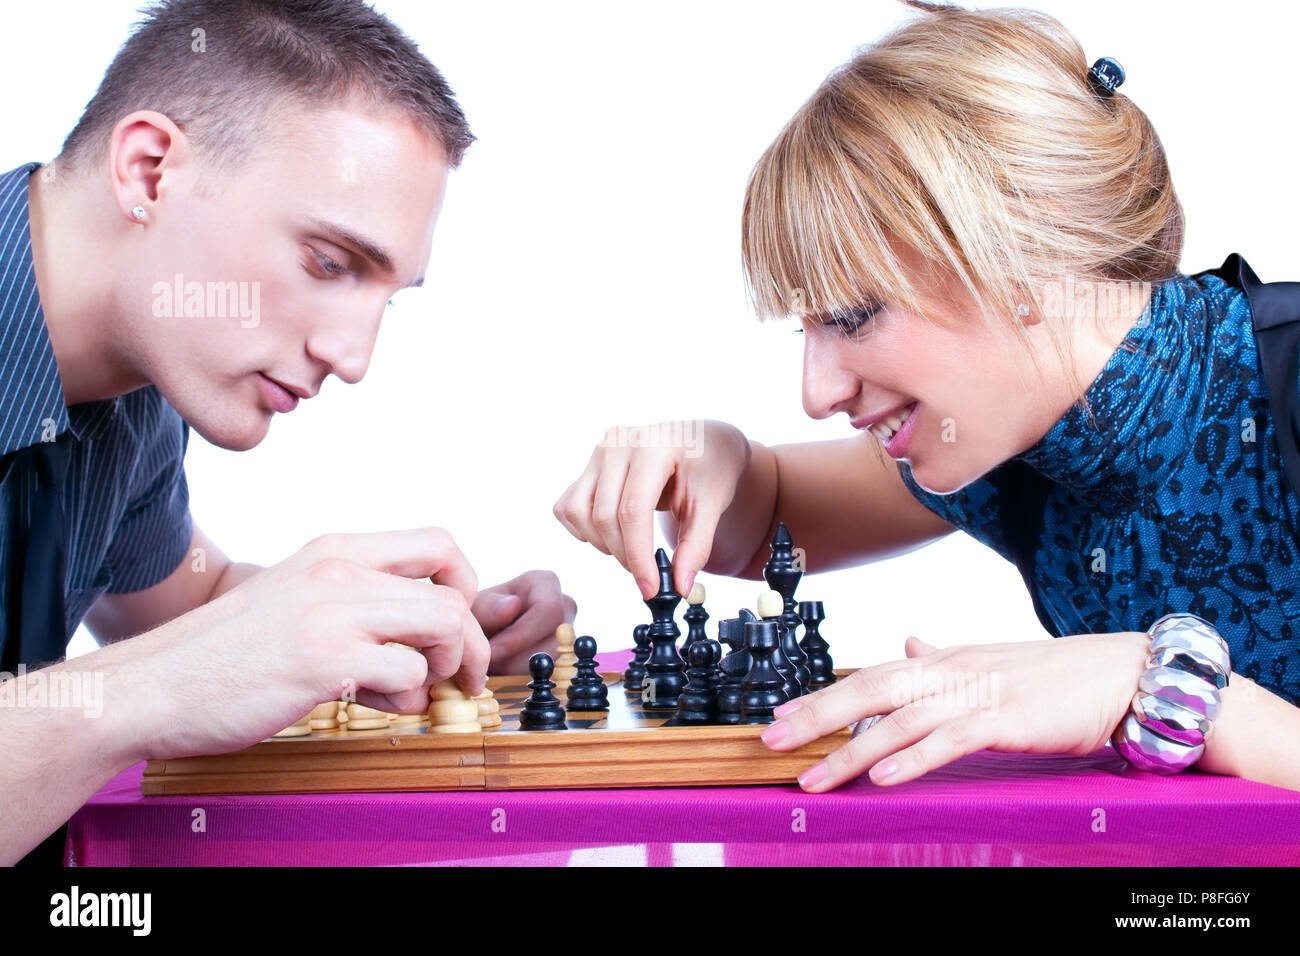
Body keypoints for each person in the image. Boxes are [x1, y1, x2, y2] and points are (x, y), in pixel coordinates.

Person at [554, 1, 1300, 794]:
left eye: (854, 317)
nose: (816, 394)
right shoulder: (1013, 435)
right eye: (807, 327)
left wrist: (1160, 685)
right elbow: (766, 519)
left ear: (1023, 251)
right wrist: (715, 455)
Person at [0, 0, 575, 866]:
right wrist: (152, 691)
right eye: (328, 263)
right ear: (149, 172)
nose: (353, 357)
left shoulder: (136, 389)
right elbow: (175, 665)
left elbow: (191, 610)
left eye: (386, 298)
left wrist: (407, 628)